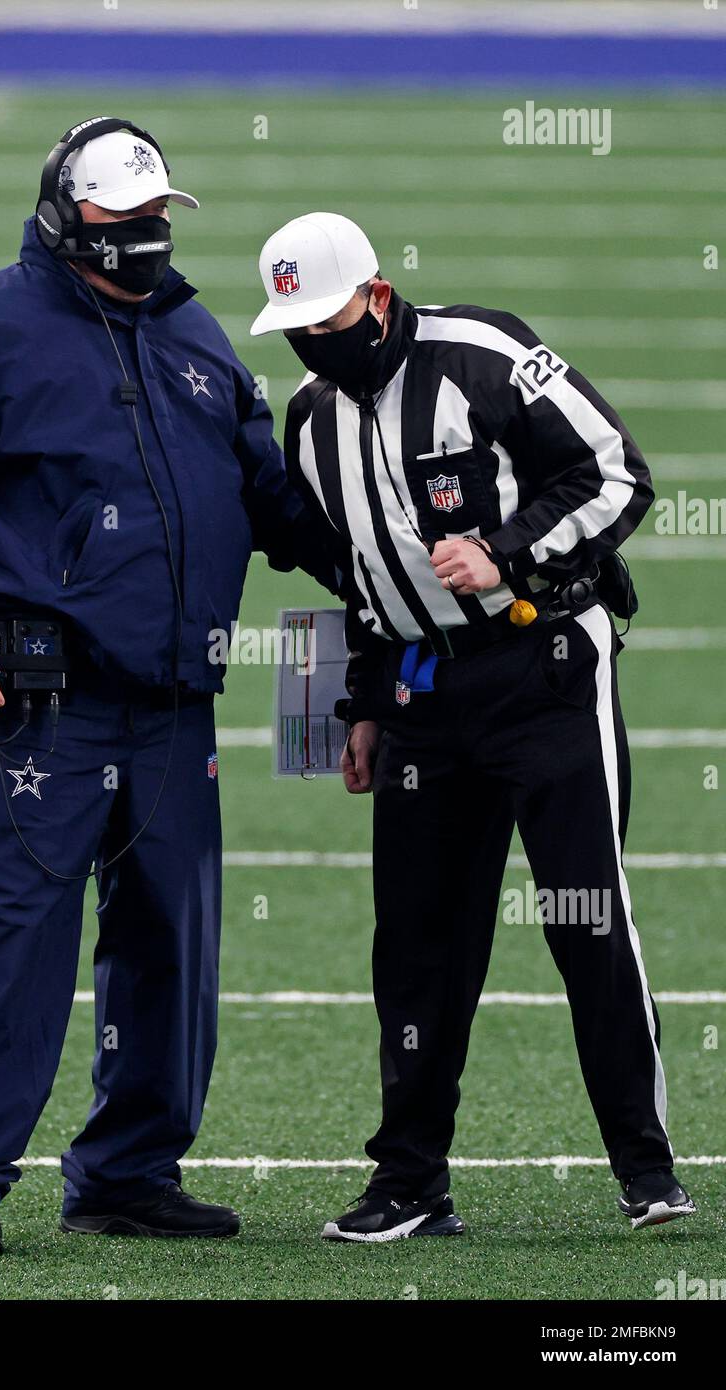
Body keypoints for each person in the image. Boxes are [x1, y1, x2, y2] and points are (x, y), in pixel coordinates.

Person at [0, 118, 335, 1254]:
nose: (148, 239)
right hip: (38, 703)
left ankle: (127, 1170)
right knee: (13, 935)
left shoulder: (197, 333)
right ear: (68, 221)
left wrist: (380, 556)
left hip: (173, 697)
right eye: (124, 224)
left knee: (172, 936)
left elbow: (269, 498)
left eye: (159, 219)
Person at [251, 211, 695, 1242]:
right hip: (418, 699)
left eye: (326, 318)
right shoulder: (309, 416)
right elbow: (348, 577)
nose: (314, 342)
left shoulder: (482, 353)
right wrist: (356, 705)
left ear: (375, 295)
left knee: (585, 915)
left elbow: (618, 474)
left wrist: (508, 552)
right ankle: (408, 1180)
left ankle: (646, 1166)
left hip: (541, 673)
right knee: (415, 946)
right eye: (296, 329)